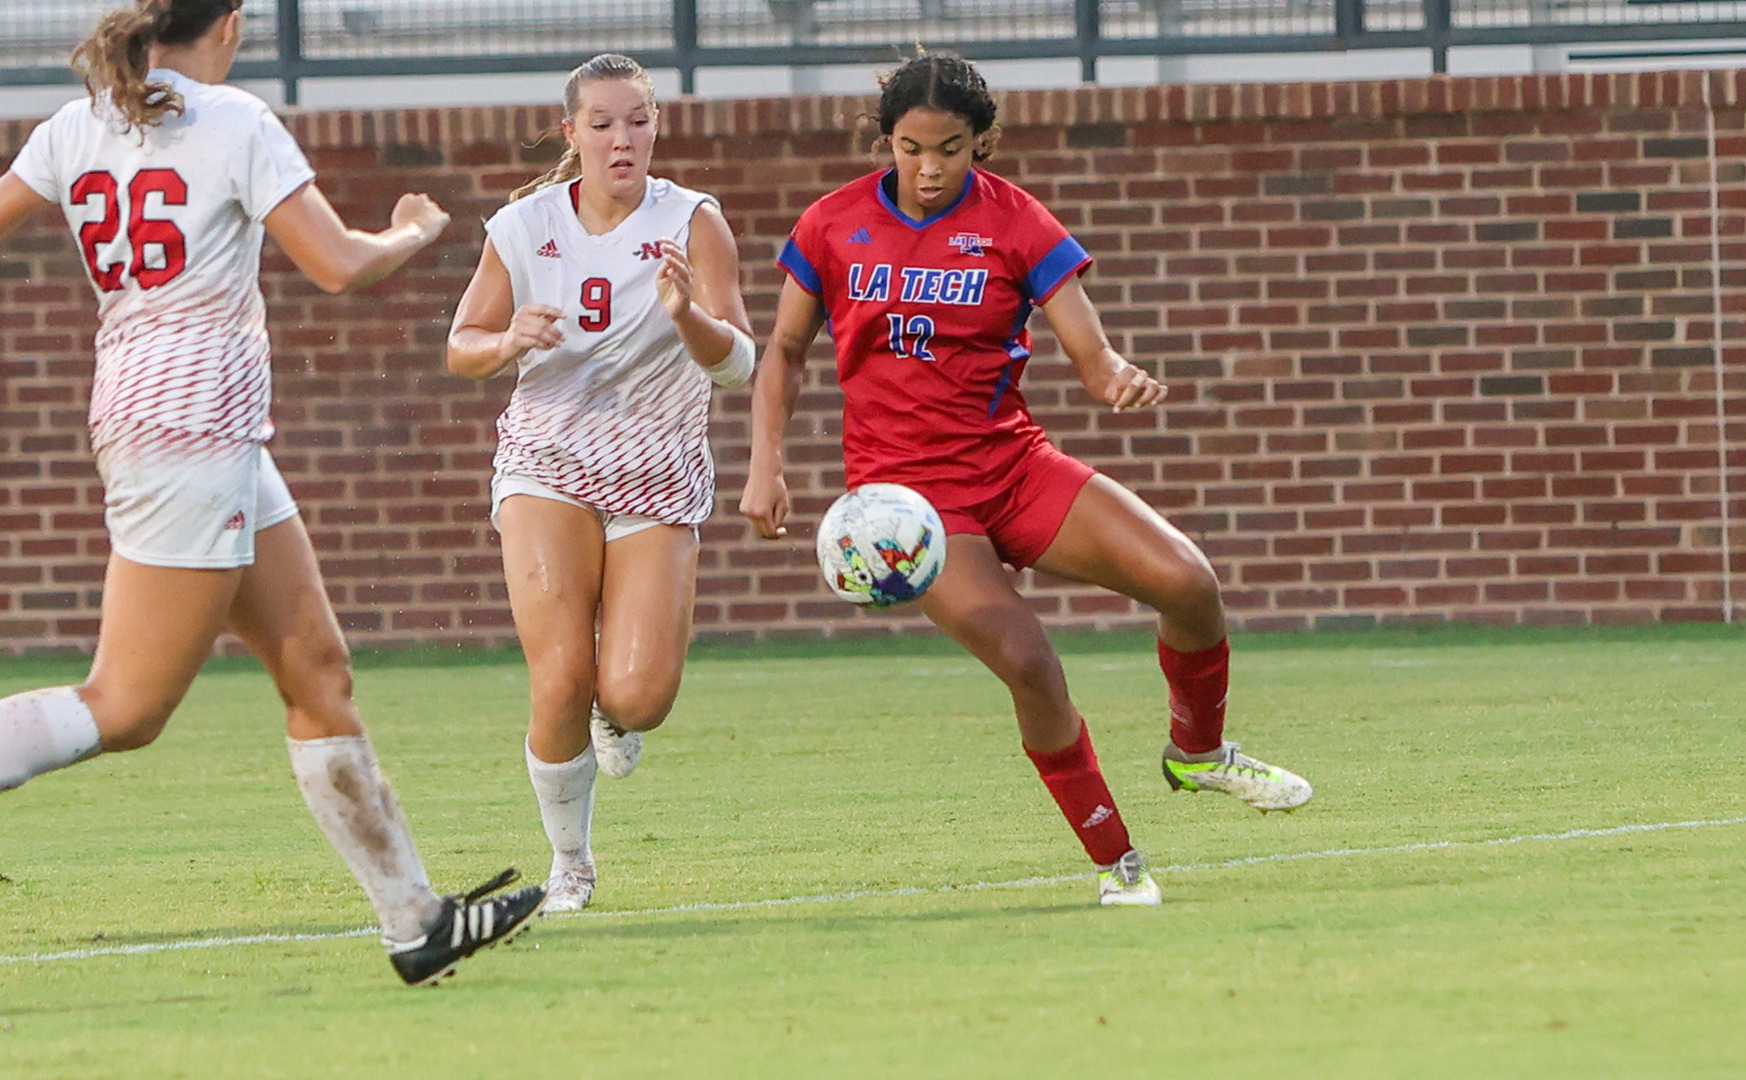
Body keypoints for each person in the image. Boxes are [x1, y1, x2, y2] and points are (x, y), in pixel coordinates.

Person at [0, 0, 543, 984]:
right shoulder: (236, 120)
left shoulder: (78, 124)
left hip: (186, 428)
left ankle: (416, 922)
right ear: (231, 23)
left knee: (317, 669)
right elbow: (340, 266)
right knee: (127, 706)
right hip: (194, 432)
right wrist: (412, 230)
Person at [741, 54, 1313, 906]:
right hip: (914, 507)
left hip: (1013, 465)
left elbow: (1091, 351)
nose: (928, 169)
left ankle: (1197, 754)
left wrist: (1115, 378)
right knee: (1031, 662)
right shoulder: (832, 223)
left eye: (950, 149)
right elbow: (785, 350)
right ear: (885, 140)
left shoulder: (1015, 220)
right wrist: (767, 465)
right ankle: (1119, 864)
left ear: (983, 142)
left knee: (1189, 582)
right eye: (909, 148)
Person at [447, 54, 754, 913]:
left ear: (657, 128)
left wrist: (688, 316)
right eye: (604, 123)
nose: (623, 140)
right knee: (559, 676)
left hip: (656, 469)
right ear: (571, 132)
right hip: (547, 461)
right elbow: (462, 345)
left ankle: (613, 712)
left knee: (637, 696)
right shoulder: (524, 226)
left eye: (638, 122)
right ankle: (569, 863)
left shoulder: (693, 222)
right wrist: (508, 339)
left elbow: (739, 363)